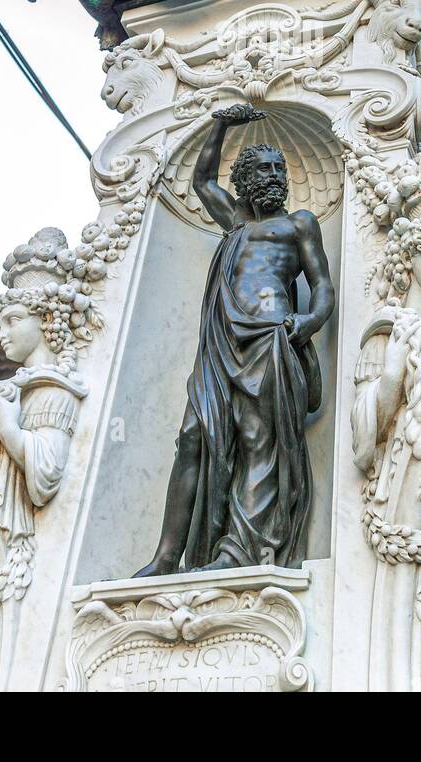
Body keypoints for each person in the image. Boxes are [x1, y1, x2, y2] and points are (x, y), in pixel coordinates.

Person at [135, 103, 335, 575]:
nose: (272, 175)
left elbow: (323, 284)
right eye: (262, 169)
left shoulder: (299, 223)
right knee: (192, 437)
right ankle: (166, 557)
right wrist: (220, 126)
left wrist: (309, 322)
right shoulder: (236, 222)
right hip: (220, 345)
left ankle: (239, 554)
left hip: (270, 338)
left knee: (256, 442)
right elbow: (203, 181)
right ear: (244, 181)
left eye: (278, 169)